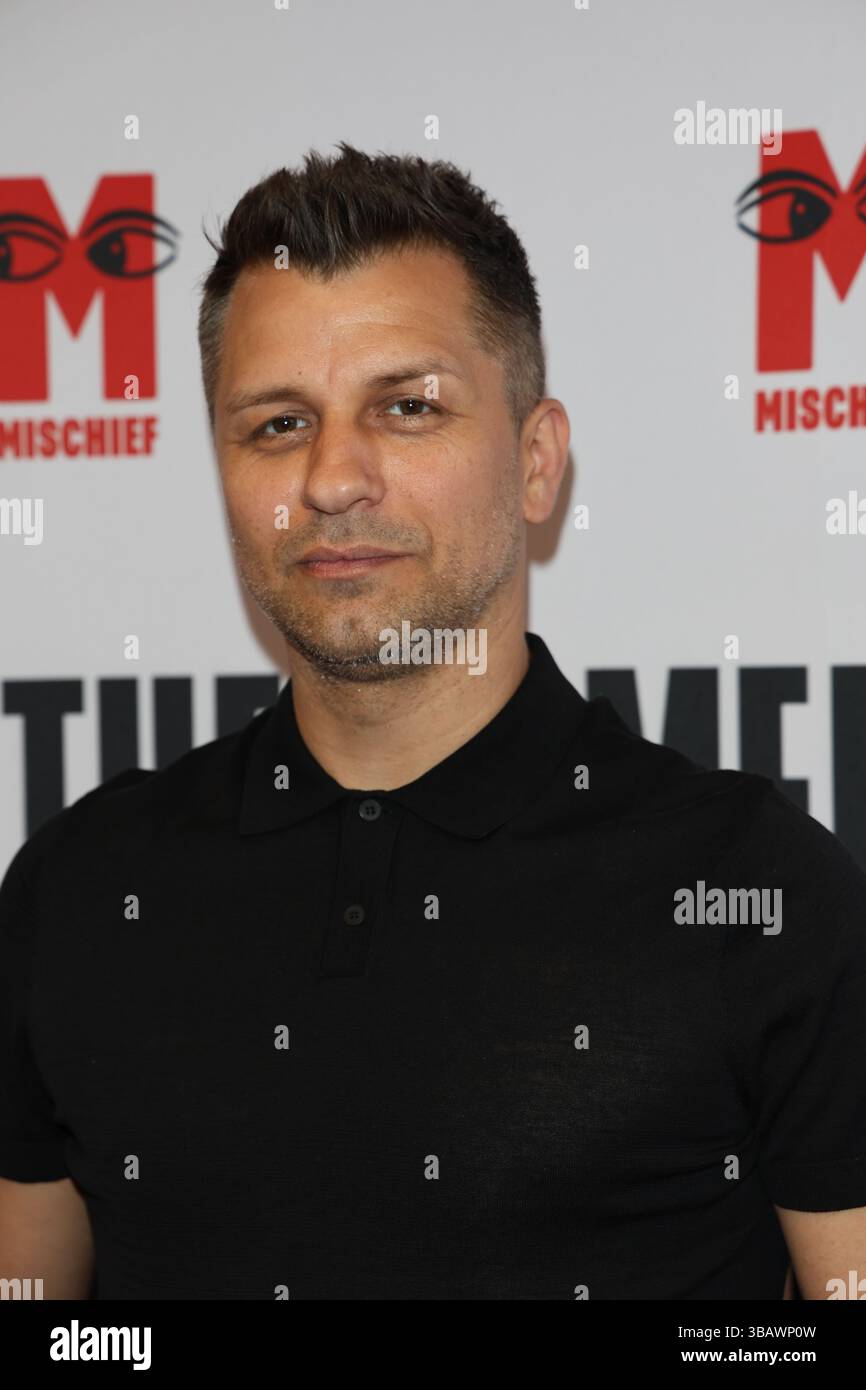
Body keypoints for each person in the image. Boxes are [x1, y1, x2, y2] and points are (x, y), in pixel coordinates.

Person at [1, 143, 865, 1300]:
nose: (332, 477)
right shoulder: (80, 889)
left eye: (406, 407)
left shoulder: (750, 890)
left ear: (535, 460)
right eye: (274, 424)